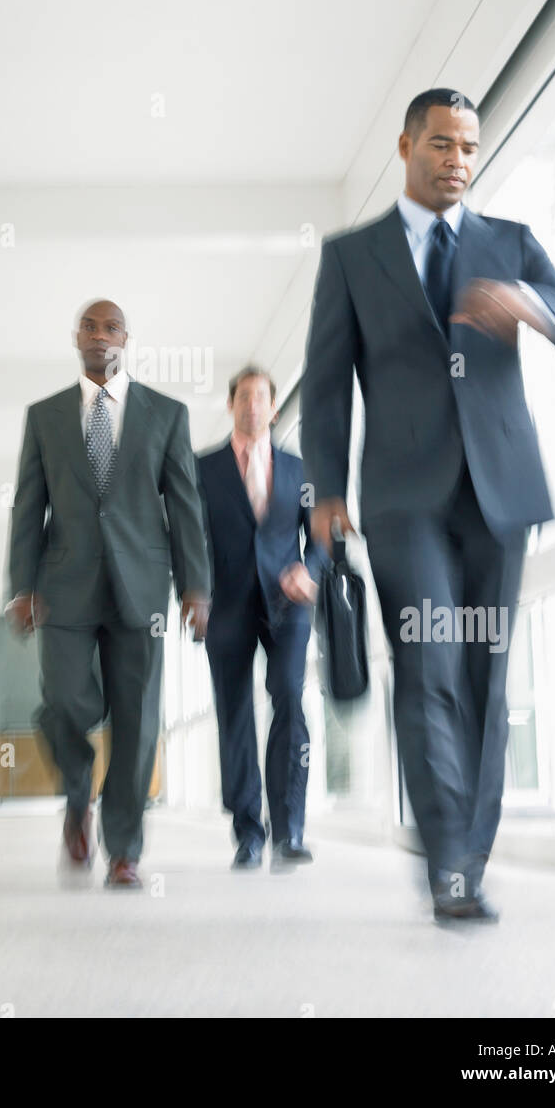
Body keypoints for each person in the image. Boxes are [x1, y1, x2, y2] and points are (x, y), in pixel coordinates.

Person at [300, 88, 555, 922]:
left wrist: (528, 306)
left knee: (484, 677)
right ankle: (449, 871)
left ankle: (469, 849)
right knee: (429, 666)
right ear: (405, 147)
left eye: (468, 148)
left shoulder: (509, 243)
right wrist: (324, 492)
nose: (456, 161)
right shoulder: (352, 257)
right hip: (402, 500)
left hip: (498, 494)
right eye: (440, 145)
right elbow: (326, 388)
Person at [5, 299, 210, 889]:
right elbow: (27, 507)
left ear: (127, 339)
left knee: (138, 720)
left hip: (141, 588)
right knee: (65, 699)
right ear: (76, 338)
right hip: (63, 587)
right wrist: (21, 586)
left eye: (112, 327)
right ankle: (78, 791)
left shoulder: (165, 415)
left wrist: (196, 585)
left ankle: (124, 849)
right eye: (91, 327)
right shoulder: (44, 417)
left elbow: (187, 506)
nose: (101, 336)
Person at [197, 366, 325, 872]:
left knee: (290, 698)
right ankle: (248, 831)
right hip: (225, 603)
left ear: (274, 408)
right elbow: (188, 537)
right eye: (244, 396)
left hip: (287, 603)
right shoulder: (202, 469)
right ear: (231, 405)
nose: (253, 404)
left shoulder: (301, 469)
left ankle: (289, 828)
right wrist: (194, 592)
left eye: (262, 397)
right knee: (233, 714)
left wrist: (308, 568)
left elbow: (320, 536)